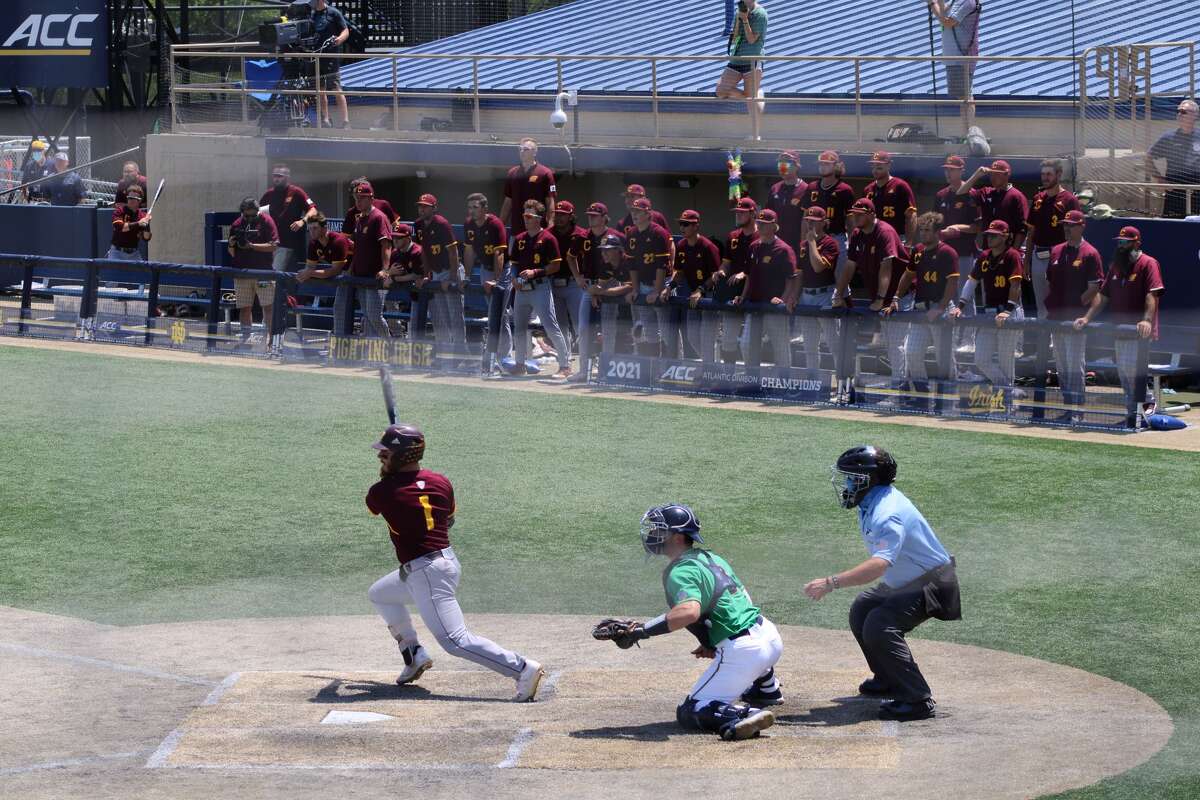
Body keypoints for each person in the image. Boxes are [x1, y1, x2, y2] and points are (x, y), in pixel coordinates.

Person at [365, 424, 545, 701]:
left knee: (455, 641)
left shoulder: (383, 492)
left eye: (386, 453)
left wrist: (397, 479)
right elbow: (448, 519)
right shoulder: (440, 482)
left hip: (426, 572)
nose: (380, 457)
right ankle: (413, 653)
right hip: (441, 564)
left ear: (401, 456)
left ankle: (522, 668)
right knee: (380, 594)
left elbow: (377, 504)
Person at [597, 504, 782, 740]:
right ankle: (767, 687)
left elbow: (688, 612)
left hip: (744, 652)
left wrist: (641, 631)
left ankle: (744, 714)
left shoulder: (679, 571)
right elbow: (738, 602)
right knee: (747, 653)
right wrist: (711, 641)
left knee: (690, 711)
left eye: (658, 530)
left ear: (676, 537)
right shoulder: (712, 558)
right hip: (770, 636)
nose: (652, 535)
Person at [805, 446, 960, 722]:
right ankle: (888, 679)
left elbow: (879, 564)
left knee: (880, 624)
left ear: (869, 479)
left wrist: (832, 583)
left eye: (852, 477)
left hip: (933, 583)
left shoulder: (887, 511)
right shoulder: (871, 500)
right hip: (907, 580)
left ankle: (917, 699)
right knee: (862, 610)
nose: (846, 483)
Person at [1073, 226, 1165, 420]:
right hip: (1120, 330)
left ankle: (1147, 407)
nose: (1121, 245)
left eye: (1126, 242)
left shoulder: (1148, 263)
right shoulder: (1116, 266)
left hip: (1139, 331)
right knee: (1124, 374)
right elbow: (1103, 296)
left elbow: (1152, 294)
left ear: (1136, 242)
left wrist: (1146, 320)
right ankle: (1133, 413)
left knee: (1133, 372)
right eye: (1119, 242)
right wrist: (1087, 317)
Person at [834, 199, 912, 383]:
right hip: (880, 297)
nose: (856, 217)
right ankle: (901, 383)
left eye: (860, 214)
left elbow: (887, 267)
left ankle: (902, 386)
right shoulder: (856, 234)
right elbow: (849, 266)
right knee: (893, 343)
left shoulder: (884, 232)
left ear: (871, 214)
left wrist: (880, 298)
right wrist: (838, 293)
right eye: (854, 214)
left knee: (897, 344)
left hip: (899, 295)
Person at [888, 212, 960, 394]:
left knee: (944, 357)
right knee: (911, 351)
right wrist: (896, 296)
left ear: (937, 232)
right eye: (921, 230)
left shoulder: (948, 252)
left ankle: (950, 393)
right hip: (920, 309)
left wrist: (941, 307)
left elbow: (952, 283)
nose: (923, 234)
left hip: (940, 310)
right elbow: (908, 275)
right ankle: (922, 392)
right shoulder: (918, 250)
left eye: (927, 230)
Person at [948, 220, 1024, 389]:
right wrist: (959, 306)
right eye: (988, 234)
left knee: (1006, 360)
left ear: (1005, 236)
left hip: (1008, 313)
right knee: (981, 359)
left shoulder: (1013, 255)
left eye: (994, 235)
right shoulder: (984, 256)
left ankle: (1007, 405)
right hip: (989, 314)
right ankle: (1008, 390)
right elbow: (971, 282)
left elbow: (1016, 285)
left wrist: (1009, 310)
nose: (989, 238)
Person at [1045, 210, 1103, 413]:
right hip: (1055, 319)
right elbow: (1049, 283)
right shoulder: (1056, 250)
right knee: (1061, 364)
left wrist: (1075, 306)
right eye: (1065, 225)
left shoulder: (1090, 253)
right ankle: (1068, 405)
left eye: (1071, 225)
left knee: (1074, 364)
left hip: (1075, 320)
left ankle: (1077, 408)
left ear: (1081, 226)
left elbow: (1094, 287)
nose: (1067, 228)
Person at [510, 199, 572, 378]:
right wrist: (514, 278)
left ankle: (565, 366)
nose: (526, 219)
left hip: (540, 287)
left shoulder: (548, 238)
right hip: (521, 289)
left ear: (539, 218)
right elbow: (514, 263)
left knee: (551, 327)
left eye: (529, 216)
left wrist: (535, 272)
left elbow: (555, 266)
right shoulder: (520, 239)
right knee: (519, 328)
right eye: (524, 215)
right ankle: (520, 364)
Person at [736, 208, 796, 368]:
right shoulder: (753, 246)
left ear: (773, 226)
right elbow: (748, 275)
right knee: (746, 344)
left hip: (774, 308)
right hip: (754, 305)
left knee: (781, 349)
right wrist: (743, 295)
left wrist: (783, 299)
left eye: (764, 223)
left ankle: (784, 385)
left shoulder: (783, 249)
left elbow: (791, 279)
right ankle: (752, 381)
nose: (760, 226)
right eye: (759, 223)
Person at [570, 205, 625, 380]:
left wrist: (601, 291)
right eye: (589, 215)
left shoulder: (616, 237)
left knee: (608, 329)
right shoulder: (583, 236)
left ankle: (606, 370)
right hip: (590, 285)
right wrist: (578, 276)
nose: (591, 218)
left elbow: (624, 261)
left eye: (595, 215)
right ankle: (583, 371)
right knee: (584, 328)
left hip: (611, 285)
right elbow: (570, 256)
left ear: (604, 217)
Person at [934, 155, 981, 360]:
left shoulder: (972, 194)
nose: (948, 172)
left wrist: (958, 229)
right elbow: (935, 224)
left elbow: (978, 227)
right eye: (946, 169)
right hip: (944, 254)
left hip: (964, 252)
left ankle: (969, 340)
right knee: (946, 296)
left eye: (952, 169)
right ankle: (951, 339)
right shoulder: (941, 194)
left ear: (962, 170)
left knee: (965, 296)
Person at [1024, 158, 1080, 319]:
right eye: (1043, 174)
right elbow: (1031, 232)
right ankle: (1043, 342)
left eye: (1049, 174)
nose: (1045, 178)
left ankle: (1058, 343)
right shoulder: (1037, 199)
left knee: (1058, 303)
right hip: (1038, 256)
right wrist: (1027, 261)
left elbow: (1077, 232)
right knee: (1041, 305)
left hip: (1060, 257)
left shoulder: (1070, 200)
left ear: (1059, 174)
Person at [463, 193, 512, 374]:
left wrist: (497, 281)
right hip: (485, 268)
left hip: (503, 269)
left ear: (485, 208)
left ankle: (502, 357)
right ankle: (495, 357)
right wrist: (466, 276)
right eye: (470, 207)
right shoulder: (469, 224)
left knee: (500, 314)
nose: (472, 211)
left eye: (476, 207)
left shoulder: (495, 224)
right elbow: (468, 252)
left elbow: (499, 254)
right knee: (495, 313)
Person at [413, 194, 466, 358]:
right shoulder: (418, 225)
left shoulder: (442, 223)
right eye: (420, 205)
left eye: (426, 206)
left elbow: (453, 251)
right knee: (439, 316)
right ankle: (444, 353)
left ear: (434, 208)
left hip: (451, 269)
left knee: (455, 316)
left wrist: (451, 278)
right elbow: (423, 252)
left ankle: (460, 354)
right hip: (435, 272)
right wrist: (426, 274)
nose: (422, 209)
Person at [339, 181, 392, 338]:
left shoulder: (378, 217)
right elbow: (358, 249)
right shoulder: (360, 218)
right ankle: (373, 354)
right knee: (367, 316)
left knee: (374, 316)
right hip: (360, 275)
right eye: (356, 198)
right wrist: (350, 269)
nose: (358, 201)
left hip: (375, 277)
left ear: (371, 198)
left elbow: (386, 245)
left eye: (362, 198)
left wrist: (385, 269)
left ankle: (389, 346)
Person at [227, 196, 280, 347]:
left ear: (258, 211)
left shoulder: (266, 221)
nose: (250, 218)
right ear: (242, 213)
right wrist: (231, 244)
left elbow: (274, 245)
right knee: (244, 307)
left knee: (268, 307)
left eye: (253, 215)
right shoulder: (237, 224)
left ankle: (271, 339)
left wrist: (252, 246)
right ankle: (245, 339)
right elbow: (232, 253)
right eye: (246, 215)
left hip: (263, 273)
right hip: (242, 273)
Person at [625, 197, 674, 358]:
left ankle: (673, 368)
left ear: (648, 213)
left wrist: (657, 290)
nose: (634, 214)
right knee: (650, 332)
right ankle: (655, 369)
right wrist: (635, 288)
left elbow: (662, 265)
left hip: (661, 284)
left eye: (638, 211)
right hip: (643, 285)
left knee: (667, 331)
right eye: (633, 211)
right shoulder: (631, 233)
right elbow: (632, 264)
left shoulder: (659, 233)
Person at [794, 206, 840, 376]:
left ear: (823, 223)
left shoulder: (830, 243)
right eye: (808, 220)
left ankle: (843, 382)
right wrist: (795, 296)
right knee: (810, 346)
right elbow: (800, 273)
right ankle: (813, 380)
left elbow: (818, 267)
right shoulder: (803, 244)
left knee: (834, 343)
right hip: (806, 296)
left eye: (814, 221)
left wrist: (812, 242)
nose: (810, 224)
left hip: (825, 295)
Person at [673, 209, 723, 362]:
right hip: (694, 293)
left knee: (708, 339)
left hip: (711, 295)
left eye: (686, 224)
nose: (682, 227)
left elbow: (716, 276)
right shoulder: (681, 245)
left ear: (696, 226)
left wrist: (701, 290)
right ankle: (711, 365)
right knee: (693, 336)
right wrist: (669, 286)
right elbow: (679, 272)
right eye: (681, 224)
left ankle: (710, 370)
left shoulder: (708, 247)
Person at [716, 0, 768, 141]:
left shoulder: (760, 14)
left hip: (753, 60)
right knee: (721, 90)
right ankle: (756, 94)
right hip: (737, 59)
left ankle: (755, 135)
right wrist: (739, 19)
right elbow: (735, 38)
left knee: (752, 104)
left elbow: (752, 39)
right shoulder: (740, 12)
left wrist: (745, 20)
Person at [716, 197, 760, 362]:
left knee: (748, 344)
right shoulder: (733, 236)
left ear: (753, 213)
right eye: (737, 213)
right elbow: (726, 264)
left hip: (754, 294)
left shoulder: (760, 236)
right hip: (733, 294)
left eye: (742, 213)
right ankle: (728, 378)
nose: (738, 215)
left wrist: (744, 273)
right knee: (728, 340)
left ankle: (751, 381)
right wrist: (720, 272)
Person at [586, 232, 636, 370]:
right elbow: (598, 286)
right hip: (627, 298)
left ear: (618, 250)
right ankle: (606, 366)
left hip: (648, 290)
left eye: (607, 250)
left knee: (643, 332)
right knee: (609, 331)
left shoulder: (628, 261)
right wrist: (595, 294)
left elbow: (630, 286)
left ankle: (644, 367)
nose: (604, 253)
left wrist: (601, 292)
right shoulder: (606, 264)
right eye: (602, 250)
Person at [928, 0, 980, 130]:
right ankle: (966, 132)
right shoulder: (956, 1)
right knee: (962, 97)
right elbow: (945, 11)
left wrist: (932, 5)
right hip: (955, 56)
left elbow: (948, 22)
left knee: (965, 97)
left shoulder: (965, 1)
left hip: (961, 56)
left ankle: (969, 132)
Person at [1146, 99, 1200, 219]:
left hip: (1197, 192)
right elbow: (1148, 158)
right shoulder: (1168, 137)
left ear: (1195, 115)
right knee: (1174, 227)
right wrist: (1160, 179)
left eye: (1183, 111)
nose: (1179, 114)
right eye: (1178, 111)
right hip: (1175, 193)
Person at [803, 149, 856, 267]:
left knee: (840, 278)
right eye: (821, 164)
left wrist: (852, 243)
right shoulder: (811, 187)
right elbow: (804, 218)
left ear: (836, 166)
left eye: (827, 164)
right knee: (814, 276)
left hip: (836, 238)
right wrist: (803, 240)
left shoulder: (845, 190)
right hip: (814, 238)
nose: (823, 166)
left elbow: (851, 220)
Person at [260, 164, 318, 271]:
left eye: (280, 176)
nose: (276, 179)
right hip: (271, 243)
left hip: (290, 244)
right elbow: (259, 214)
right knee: (270, 275)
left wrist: (302, 221)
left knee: (284, 276)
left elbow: (313, 210)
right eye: (275, 176)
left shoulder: (296, 192)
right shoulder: (269, 194)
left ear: (287, 177)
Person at [549, 201, 588, 359]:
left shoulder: (581, 234)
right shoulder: (548, 234)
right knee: (559, 325)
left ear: (571, 216)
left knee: (580, 324)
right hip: (553, 282)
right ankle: (565, 359)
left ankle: (587, 360)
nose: (559, 218)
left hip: (574, 283)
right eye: (557, 214)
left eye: (563, 215)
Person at [960, 160, 1028, 247]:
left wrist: (1014, 251)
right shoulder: (986, 192)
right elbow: (960, 194)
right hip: (987, 249)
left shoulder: (1016, 196)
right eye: (991, 174)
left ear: (1006, 174)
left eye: (997, 174)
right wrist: (976, 175)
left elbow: (1022, 229)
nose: (993, 177)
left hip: (1007, 249)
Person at [500, 138, 556, 235]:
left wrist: (551, 223)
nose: (522, 152)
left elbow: (550, 201)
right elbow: (508, 201)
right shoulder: (512, 173)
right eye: (520, 149)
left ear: (534, 152)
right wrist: (500, 225)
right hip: (517, 232)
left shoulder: (545, 173)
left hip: (538, 232)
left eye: (525, 149)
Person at [309, 0, 351, 129]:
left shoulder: (334, 13)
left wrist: (339, 40)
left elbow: (346, 31)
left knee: (336, 89)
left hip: (331, 57)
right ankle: (326, 120)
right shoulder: (311, 15)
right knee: (320, 91)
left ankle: (345, 122)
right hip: (315, 57)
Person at [863, 151, 917, 242]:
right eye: (874, 165)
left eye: (879, 166)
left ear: (888, 165)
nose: (875, 169)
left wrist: (909, 242)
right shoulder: (868, 190)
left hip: (896, 237)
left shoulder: (900, 186)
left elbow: (912, 216)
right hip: (873, 238)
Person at [766, 150, 807, 254]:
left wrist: (803, 245)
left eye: (786, 164)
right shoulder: (775, 188)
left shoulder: (806, 189)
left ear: (797, 166)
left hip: (797, 245)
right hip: (776, 245)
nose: (782, 167)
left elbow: (808, 222)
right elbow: (768, 216)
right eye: (780, 164)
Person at [107, 185, 152, 262]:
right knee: (112, 273)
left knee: (143, 273)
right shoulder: (120, 210)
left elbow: (146, 238)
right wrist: (139, 223)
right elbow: (120, 227)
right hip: (117, 252)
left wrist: (147, 223)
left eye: (134, 198)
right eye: (129, 198)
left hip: (134, 253)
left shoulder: (142, 216)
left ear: (139, 201)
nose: (130, 200)